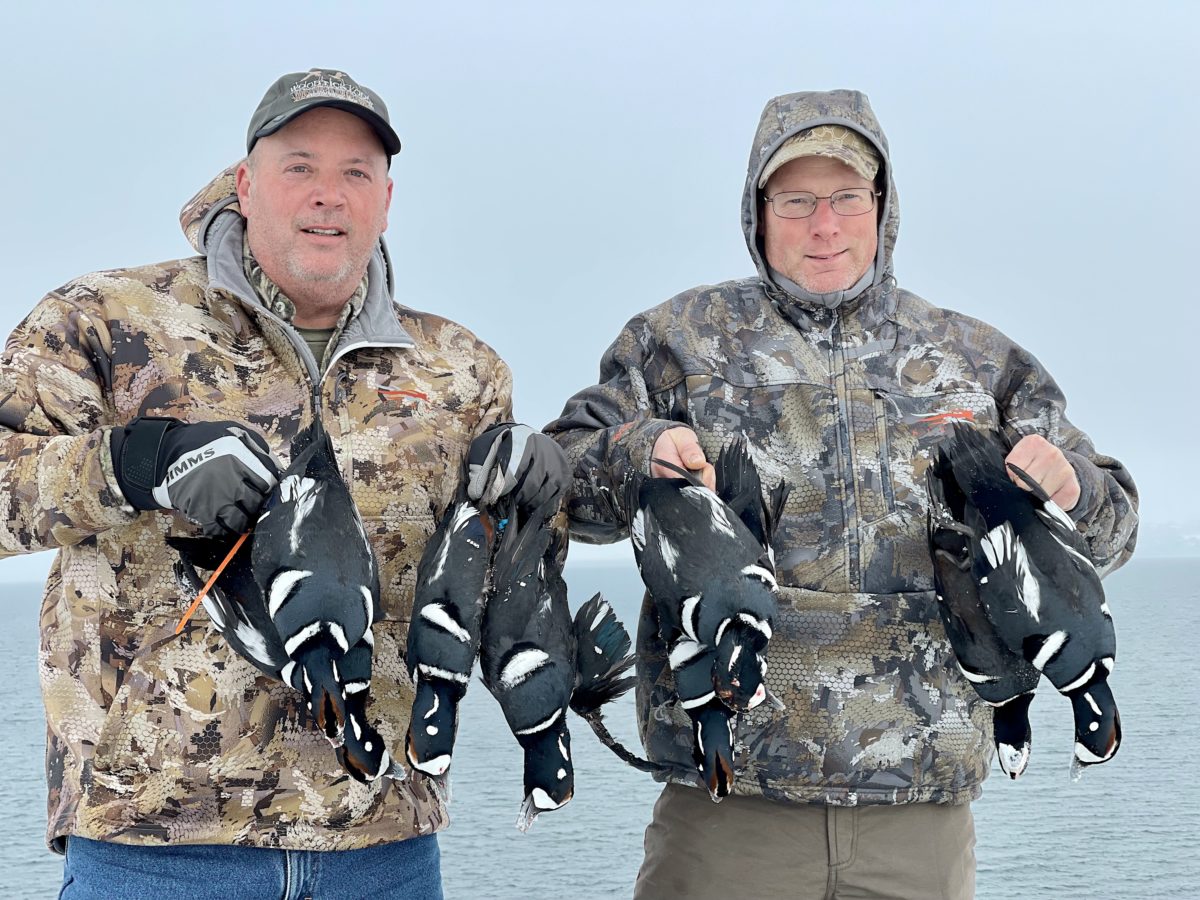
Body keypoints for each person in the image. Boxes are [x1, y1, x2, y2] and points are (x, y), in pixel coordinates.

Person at [544, 89, 1138, 899]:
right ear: (757, 212)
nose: (824, 226)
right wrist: (640, 452)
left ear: (883, 208)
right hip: (729, 807)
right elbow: (560, 478)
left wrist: (1078, 492)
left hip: (919, 819)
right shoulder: (677, 340)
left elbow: (1114, 528)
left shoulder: (975, 359)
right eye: (796, 201)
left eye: (847, 198)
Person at [0, 68, 565, 899]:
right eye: (299, 166)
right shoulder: (110, 321)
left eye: (355, 174)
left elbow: (498, 580)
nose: (327, 196)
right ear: (244, 182)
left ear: (386, 198)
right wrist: (139, 462)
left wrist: (539, 496)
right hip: (155, 845)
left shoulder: (459, 367)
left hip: (384, 850)